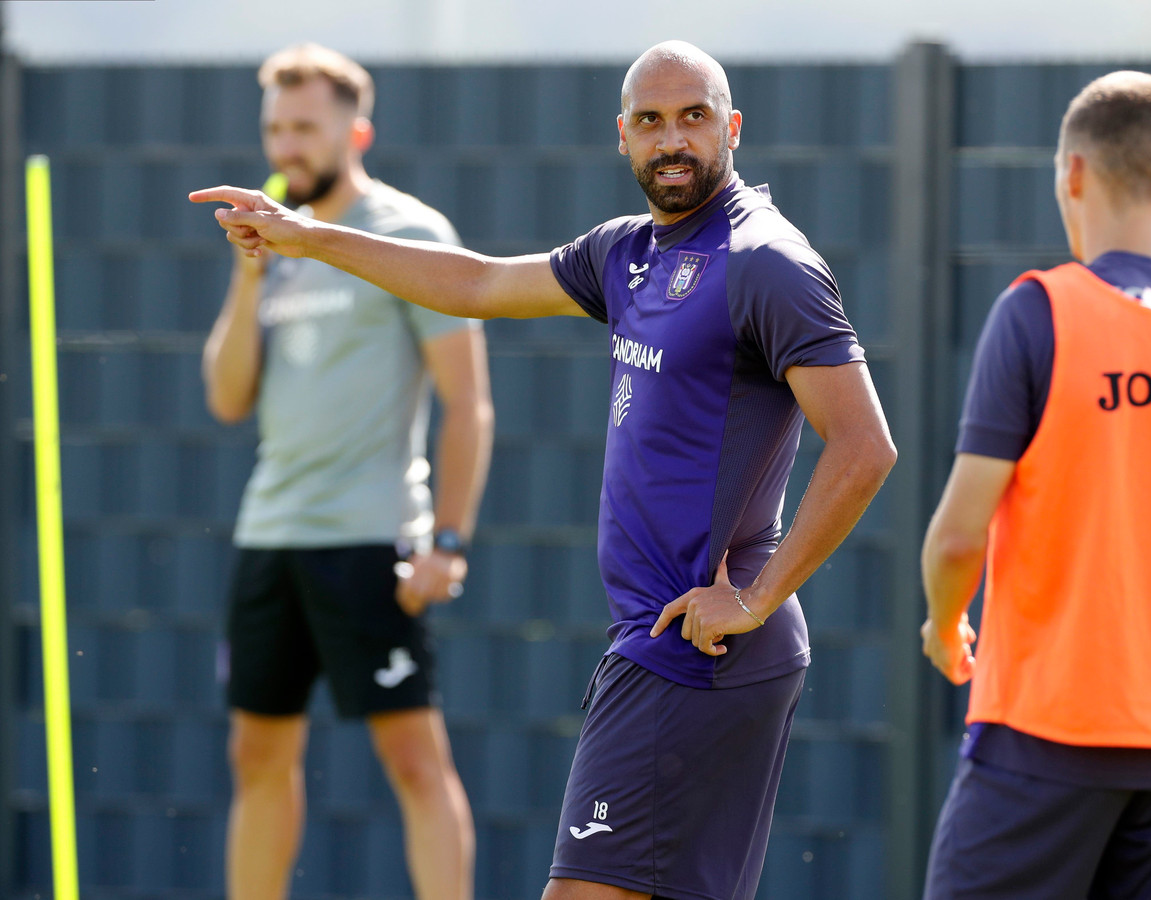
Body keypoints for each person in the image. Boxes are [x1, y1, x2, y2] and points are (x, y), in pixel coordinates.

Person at [193, 39, 895, 900]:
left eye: (693, 117)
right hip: (675, 639)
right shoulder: (626, 251)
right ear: (622, 136)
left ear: (732, 127)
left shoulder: (764, 262)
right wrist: (309, 239)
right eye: (649, 121)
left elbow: (866, 447)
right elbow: (478, 284)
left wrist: (755, 597)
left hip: (694, 644)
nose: (671, 139)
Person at [919, 71, 1151, 898]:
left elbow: (955, 536)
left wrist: (945, 626)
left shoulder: (1037, 314)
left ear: (1071, 175)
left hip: (1039, 741)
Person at [200, 44, 492, 900]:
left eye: (304, 128)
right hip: (270, 535)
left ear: (354, 131)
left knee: (412, 758)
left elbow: (468, 404)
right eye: (274, 129)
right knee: (255, 754)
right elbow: (226, 398)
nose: (286, 148)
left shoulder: (408, 234)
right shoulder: (266, 240)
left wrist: (447, 540)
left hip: (371, 539)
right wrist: (248, 278)